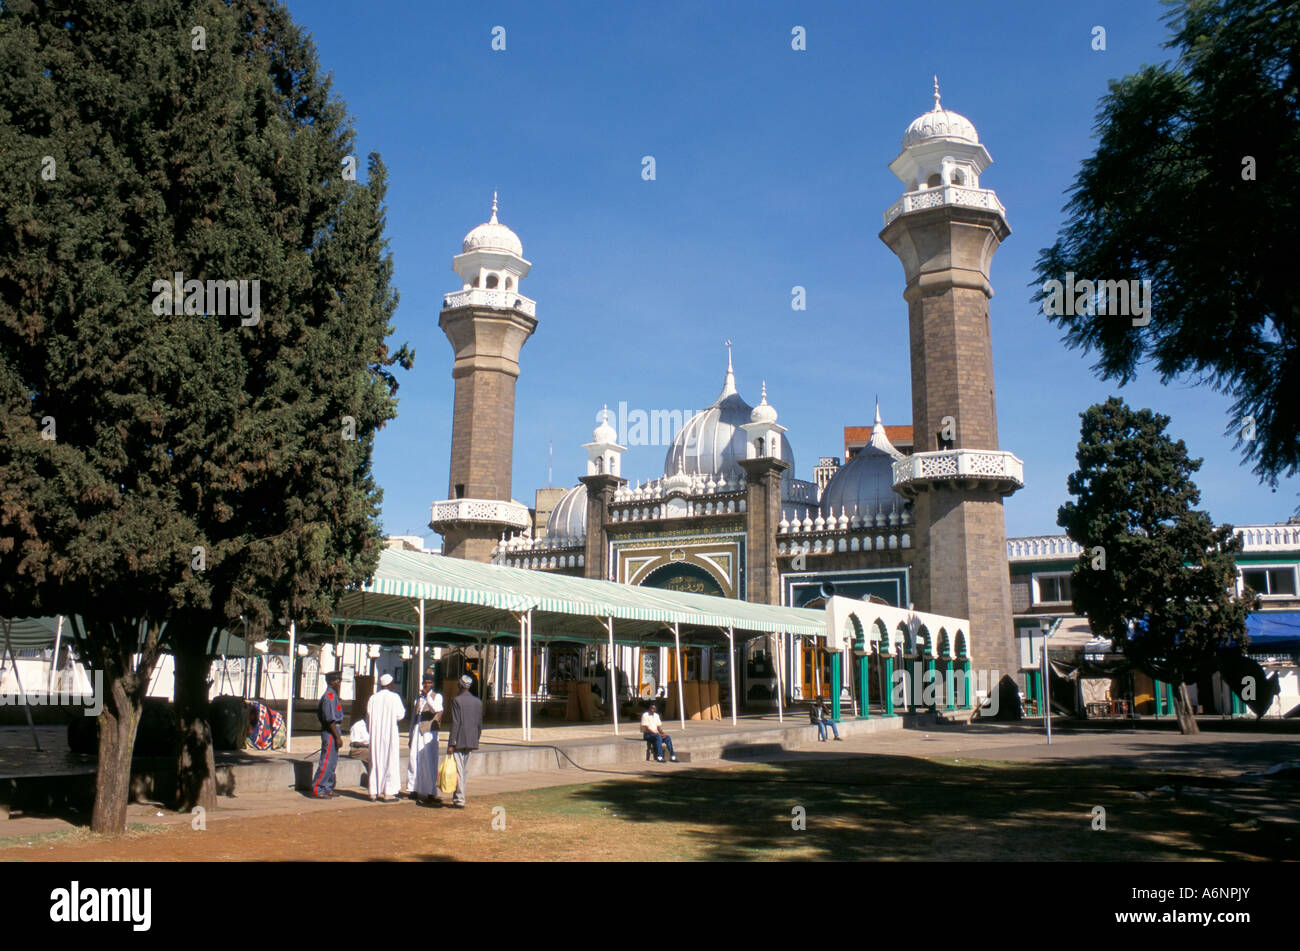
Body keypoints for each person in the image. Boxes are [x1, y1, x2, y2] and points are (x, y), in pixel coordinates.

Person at [366, 673, 406, 802]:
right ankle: (388, 792)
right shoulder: (395, 697)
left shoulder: (373, 698)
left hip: (375, 735)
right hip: (390, 733)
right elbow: (400, 715)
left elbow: (368, 716)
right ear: (389, 684)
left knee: (375, 761)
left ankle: (373, 791)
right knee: (390, 760)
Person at [406, 673, 443, 804]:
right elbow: (414, 717)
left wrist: (427, 696)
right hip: (417, 731)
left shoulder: (436, 697)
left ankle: (431, 792)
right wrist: (410, 735)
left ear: (432, 684)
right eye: (425, 682)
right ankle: (413, 789)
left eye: (429, 682)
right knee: (414, 760)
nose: (426, 685)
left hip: (428, 733)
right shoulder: (418, 699)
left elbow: (436, 709)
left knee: (429, 762)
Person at [446, 674, 482, 807]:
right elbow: (479, 724)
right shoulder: (477, 702)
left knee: (460, 770)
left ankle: (460, 798)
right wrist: (476, 738)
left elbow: (456, 722)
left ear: (460, 685)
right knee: (464, 770)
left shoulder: (457, 700)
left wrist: (451, 742)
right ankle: (458, 796)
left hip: (460, 738)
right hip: (472, 738)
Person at [310, 671, 344, 798]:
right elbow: (330, 720)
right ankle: (318, 788)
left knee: (332, 762)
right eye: (337, 681)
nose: (339, 683)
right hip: (330, 732)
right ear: (331, 682)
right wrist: (337, 737)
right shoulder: (329, 696)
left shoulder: (334, 695)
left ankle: (327, 787)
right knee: (326, 761)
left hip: (335, 730)